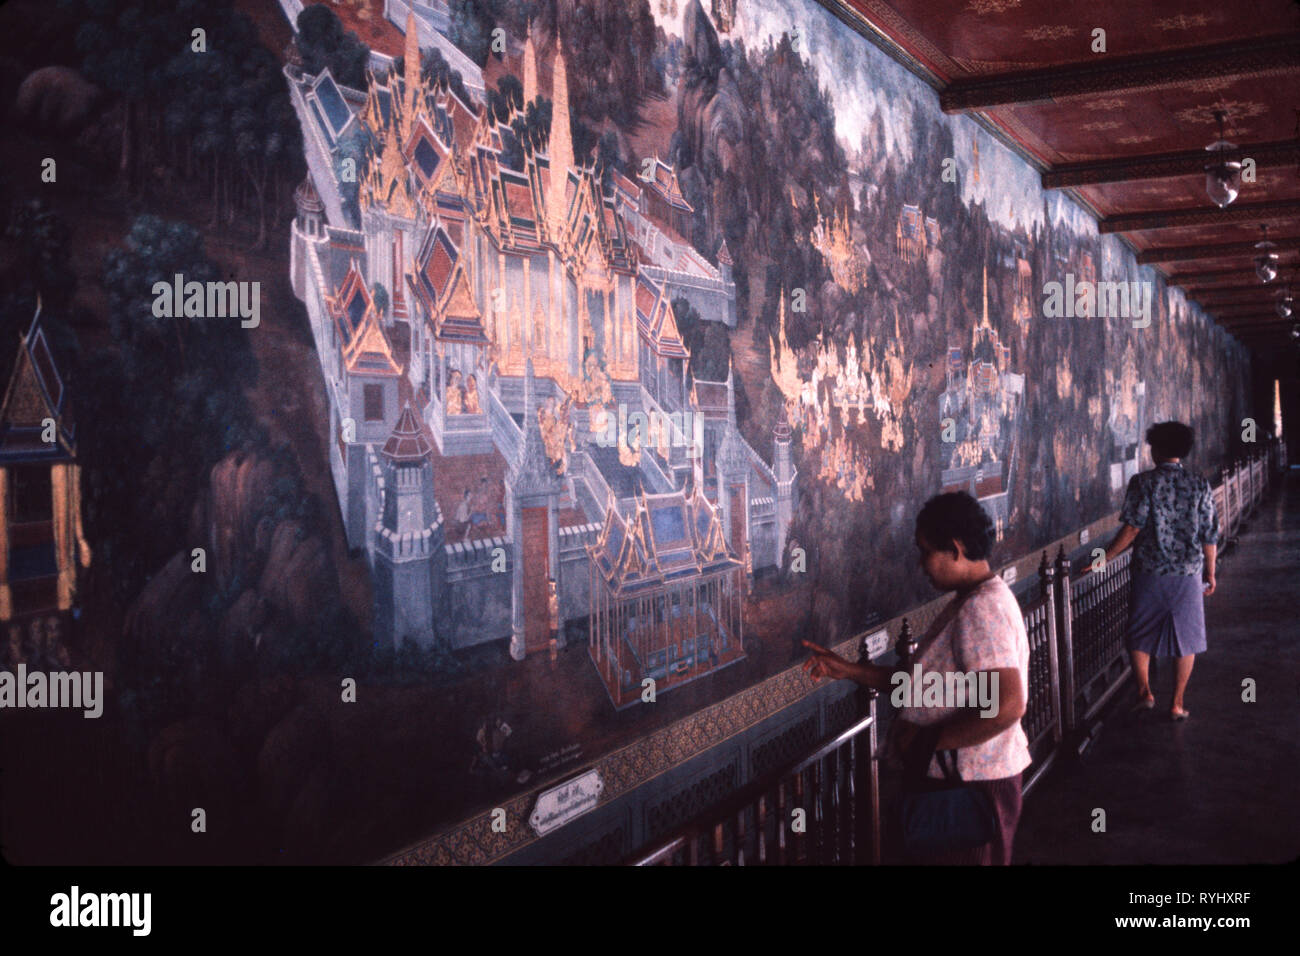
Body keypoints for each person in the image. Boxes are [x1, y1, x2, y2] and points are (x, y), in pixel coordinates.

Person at [802, 491, 1029, 864]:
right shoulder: (978, 598)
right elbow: (931, 688)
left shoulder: (981, 609)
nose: (922, 565)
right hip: (965, 783)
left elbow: (1007, 706)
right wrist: (849, 670)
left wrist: (925, 742)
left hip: (969, 788)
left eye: (926, 552)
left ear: (955, 549)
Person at [1096, 421, 1217, 721]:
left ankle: (1145, 692)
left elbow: (1132, 528)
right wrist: (1210, 572)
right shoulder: (1199, 484)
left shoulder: (1143, 482)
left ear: (1157, 450)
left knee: (1139, 632)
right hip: (1188, 572)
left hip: (1149, 571)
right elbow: (1209, 535)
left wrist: (1104, 557)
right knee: (1187, 637)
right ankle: (1177, 703)